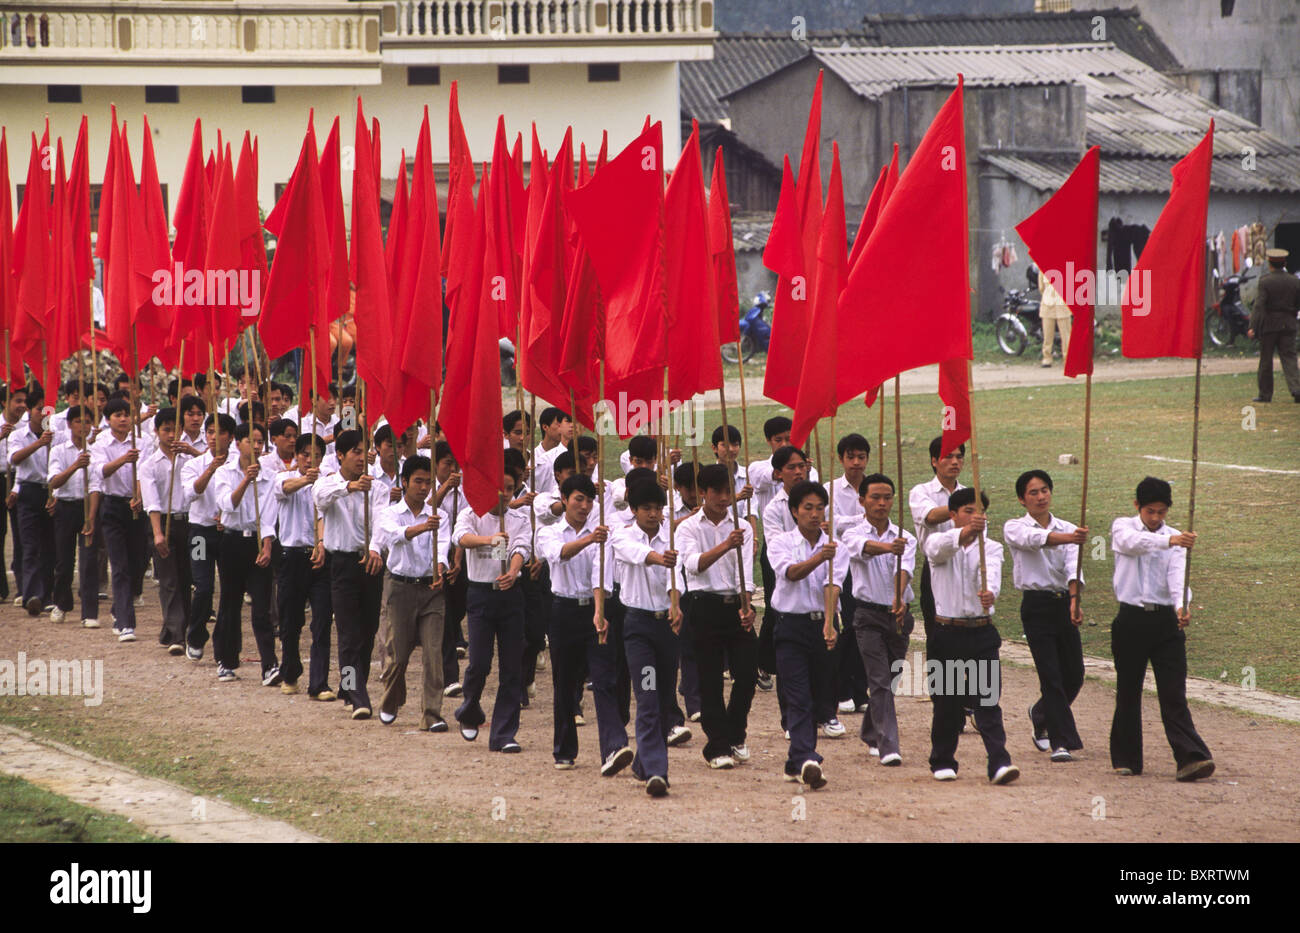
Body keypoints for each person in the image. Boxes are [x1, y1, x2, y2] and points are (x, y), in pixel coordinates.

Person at [1108, 477, 1215, 781]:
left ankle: (1191, 757)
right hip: (1130, 620)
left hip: (1165, 624)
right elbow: (1132, 545)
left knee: (1173, 692)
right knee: (1128, 691)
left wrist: (1182, 605)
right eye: (1150, 511)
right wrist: (1169, 540)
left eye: (1162, 512)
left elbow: (1178, 576)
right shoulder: (1123, 528)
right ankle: (1126, 757)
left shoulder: (1177, 540)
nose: (1156, 518)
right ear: (1137, 507)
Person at [537, 473, 632, 774]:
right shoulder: (549, 532)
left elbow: (600, 576)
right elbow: (558, 555)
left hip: (595, 609)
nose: (585, 505)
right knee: (565, 682)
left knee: (605, 680)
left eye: (590, 500)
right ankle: (564, 749)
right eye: (579, 499)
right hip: (563, 611)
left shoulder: (600, 534)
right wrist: (590, 538)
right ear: (564, 499)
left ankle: (614, 747)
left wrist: (600, 612)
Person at [924, 487, 1018, 785]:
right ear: (953, 515)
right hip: (947, 632)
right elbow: (939, 550)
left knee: (987, 700)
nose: (976, 517)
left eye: (980, 512)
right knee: (947, 701)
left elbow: (990, 575)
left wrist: (990, 593)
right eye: (968, 511)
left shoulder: (991, 547)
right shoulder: (937, 542)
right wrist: (965, 533)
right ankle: (942, 759)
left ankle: (999, 762)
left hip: (981, 631)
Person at [676, 463, 757, 770]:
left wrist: (747, 606)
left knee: (747, 673)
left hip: (735, 604)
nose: (724, 498)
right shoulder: (688, 527)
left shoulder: (743, 526)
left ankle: (735, 732)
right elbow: (694, 564)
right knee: (709, 679)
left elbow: (745, 571)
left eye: (728, 491)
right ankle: (717, 745)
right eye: (718, 492)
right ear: (703, 493)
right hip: (703, 605)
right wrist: (726, 544)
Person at [1004, 470, 1087, 762]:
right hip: (1036, 606)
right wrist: (1069, 537)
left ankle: (1040, 713)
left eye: (1044, 491)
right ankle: (1060, 741)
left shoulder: (1068, 527)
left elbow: (1072, 567)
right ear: (1022, 499)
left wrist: (1074, 601)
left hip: (1063, 603)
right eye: (1033, 493)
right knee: (1050, 674)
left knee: (1074, 674)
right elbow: (1035, 539)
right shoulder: (1014, 527)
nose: (1040, 497)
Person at [450, 458, 530, 751]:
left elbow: (522, 547)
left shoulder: (520, 519)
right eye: (500, 488)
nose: (505, 494)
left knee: (512, 668)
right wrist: (489, 539)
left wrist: (513, 570)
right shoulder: (472, 514)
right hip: (480, 595)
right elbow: (460, 537)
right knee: (480, 663)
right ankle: (469, 707)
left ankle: (504, 734)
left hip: (510, 596)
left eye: (510, 488)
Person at [767, 480, 843, 789]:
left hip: (820, 625)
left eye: (819, 508)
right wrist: (818, 558)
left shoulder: (836, 547)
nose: (814, 514)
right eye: (807, 508)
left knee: (819, 695)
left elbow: (833, 585)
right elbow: (791, 573)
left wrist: (829, 621)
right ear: (795, 511)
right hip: (789, 626)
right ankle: (808, 757)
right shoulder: (780, 542)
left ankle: (795, 761)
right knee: (798, 695)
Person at [611, 478, 682, 798]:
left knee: (665, 697)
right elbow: (636, 554)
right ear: (634, 510)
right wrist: (659, 557)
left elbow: (676, 576)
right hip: (638, 627)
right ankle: (656, 770)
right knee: (649, 696)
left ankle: (642, 762)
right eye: (647, 509)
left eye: (658, 508)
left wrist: (676, 604)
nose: (653, 514)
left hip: (666, 626)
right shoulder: (622, 535)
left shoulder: (670, 537)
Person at [313, 428, 390, 718]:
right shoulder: (328, 483)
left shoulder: (378, 489)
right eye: (355, 452)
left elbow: (382, 522)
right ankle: (357, 696)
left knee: (368, 631)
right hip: (341, 564)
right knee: (347, 632)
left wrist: (375, 549)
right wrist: (349, 488)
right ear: (340, 455)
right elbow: (320, 500)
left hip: (369, 562)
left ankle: (350, 687)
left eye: (363, 451)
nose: (361, 457)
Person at [842, 473, 915, 766]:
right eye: (875, 497)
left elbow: (905, 569)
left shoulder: (905, 537)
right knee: (879, 680)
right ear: (862, 501)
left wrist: (899, 598)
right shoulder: (851, 532)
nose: (882, 503)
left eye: (887, 498)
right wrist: (888, 548)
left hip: (898, 615)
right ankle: (889, 746)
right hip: (867, 615)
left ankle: (871, 732)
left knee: (891, 679)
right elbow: (863, 550)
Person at [375, 455, 452, 731]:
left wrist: (441, 567)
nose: (423, 487)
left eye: (428, 482)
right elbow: (392, 536)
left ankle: (431, 714)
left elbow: (442, 546)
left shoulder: (440, 515)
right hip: (400, 588)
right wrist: (421, 528)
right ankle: (391, 698)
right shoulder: (389, 513)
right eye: (418, 481)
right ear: (404, 482)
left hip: (431, 590)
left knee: (434, 653)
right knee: (399, 654)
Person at [212, 422, 278, 684]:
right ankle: (227, 661)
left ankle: (269, 665)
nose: (257, 447)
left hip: (258, 542)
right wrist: (245, 480)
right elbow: (227, 503)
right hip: (231, 543)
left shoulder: (269, 475)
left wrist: (268, 544)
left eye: (261, 442)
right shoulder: (225, 472)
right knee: (230, 603)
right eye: (252, 441)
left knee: (262, 607)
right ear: (239, 443)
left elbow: (270, 513)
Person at [274, 434, 333, 699]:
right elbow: (285, 488)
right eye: (306, 454)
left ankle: (319, 683)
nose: (311, 460)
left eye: (317, 455)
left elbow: (325, 514)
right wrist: (304, 480)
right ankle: (289, 671)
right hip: (291, 557)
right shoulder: (282, 477)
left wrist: (321, 543)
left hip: (319, 556)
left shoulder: (327, 483)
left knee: (322, 620)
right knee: (291, 620)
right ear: (296, 456)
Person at [91, 397, 147, 642]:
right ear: (108, 419)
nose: (123, 419)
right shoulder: (101, 443)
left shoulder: (143, 443)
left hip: (137, 507)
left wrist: (139, 495)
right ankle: (125, 623)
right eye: (118, 415)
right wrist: (123, 459)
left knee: (139, 563)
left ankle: (120, 608)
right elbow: (100, 471)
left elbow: (145, 474)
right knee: (120, 566)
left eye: (127, 414)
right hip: (112, 506)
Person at [181, 414, 235, 661]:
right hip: (201, 533)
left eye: (220, 432)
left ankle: (223, 642)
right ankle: (195, 634)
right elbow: (191, 493)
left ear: (230, 437)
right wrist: (211, 468)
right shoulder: (194, 464)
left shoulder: (238, 464)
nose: (214, 438)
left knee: (229, 590)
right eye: (210, 432)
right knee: (203, 587)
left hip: (227, 534)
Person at [139, 408, 192, 653]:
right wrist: (158, 533)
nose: (172, 434)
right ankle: (177, 636)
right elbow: (152, 502)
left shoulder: (190, 460)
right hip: (163, 524)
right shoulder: (149, 465)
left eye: (176, 428)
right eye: (166, 429)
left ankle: (176, 627)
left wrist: (192, 453)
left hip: (191, 525)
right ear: (156, 431)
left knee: (188, 579)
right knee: (169, 580)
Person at [46, 405, 102, 627]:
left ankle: (89, 612)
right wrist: (75, 466)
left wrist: (91, 517)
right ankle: (61, 603)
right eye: (79, 421)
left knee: (89, 561)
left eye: (87, 422)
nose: (83, 426)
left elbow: (96, 486)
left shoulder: (95, 452)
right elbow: (54, 482)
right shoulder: (59, 451)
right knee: (64, 560)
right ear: (69, 424)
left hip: (86, 507)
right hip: (65, 508)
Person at [829, 433, 871, 717]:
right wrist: (863, 519)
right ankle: (840, 689)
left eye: (861, 457)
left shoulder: (874, 488)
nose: (856, 463)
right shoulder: (830, 490)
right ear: (841, 459)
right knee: (843, 629)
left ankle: (861, 688)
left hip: (868, 568)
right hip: (842, 568)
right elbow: (834, 525)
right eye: (851, 457)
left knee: (865, 630)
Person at [8, 384, 55, 616]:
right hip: (28, 492)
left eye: (48, 410)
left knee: (50, 547)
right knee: (29, 545)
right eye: (39, 409)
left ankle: (47, 594)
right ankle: (31, 594)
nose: (44, 414)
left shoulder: (57, 435)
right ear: (30, 411)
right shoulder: (18, 435)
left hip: (51, 491)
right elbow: (15, 459)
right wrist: (39, 443)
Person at [1249, 248, 1300, 403]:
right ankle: (1297, 390)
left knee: (1266, 359)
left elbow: (1259, 306)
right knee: (1289, 358)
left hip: (1269, 325)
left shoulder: (1265, 281)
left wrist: (1253, 326)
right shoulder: (1295, 281)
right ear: (1284, 263)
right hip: (1289, 324)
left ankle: (1265, 394)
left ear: (1270, 264)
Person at [0, 385, 29, 604]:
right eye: (17, 401)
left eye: (23, 401)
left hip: (21, 480)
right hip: (1, 478)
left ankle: (24, 586)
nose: (21, 405)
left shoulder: (28, 425)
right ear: (4, 403)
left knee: (23, 535)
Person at [1038, 269, 1072, 368]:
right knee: (1047, 333)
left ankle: (1068, 358)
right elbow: (1041, 287)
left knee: (1065, 333)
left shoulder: (1066, 265)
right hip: (1048, 304)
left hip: (1063, 304)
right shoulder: (1042, 268)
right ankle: (1047, 357)